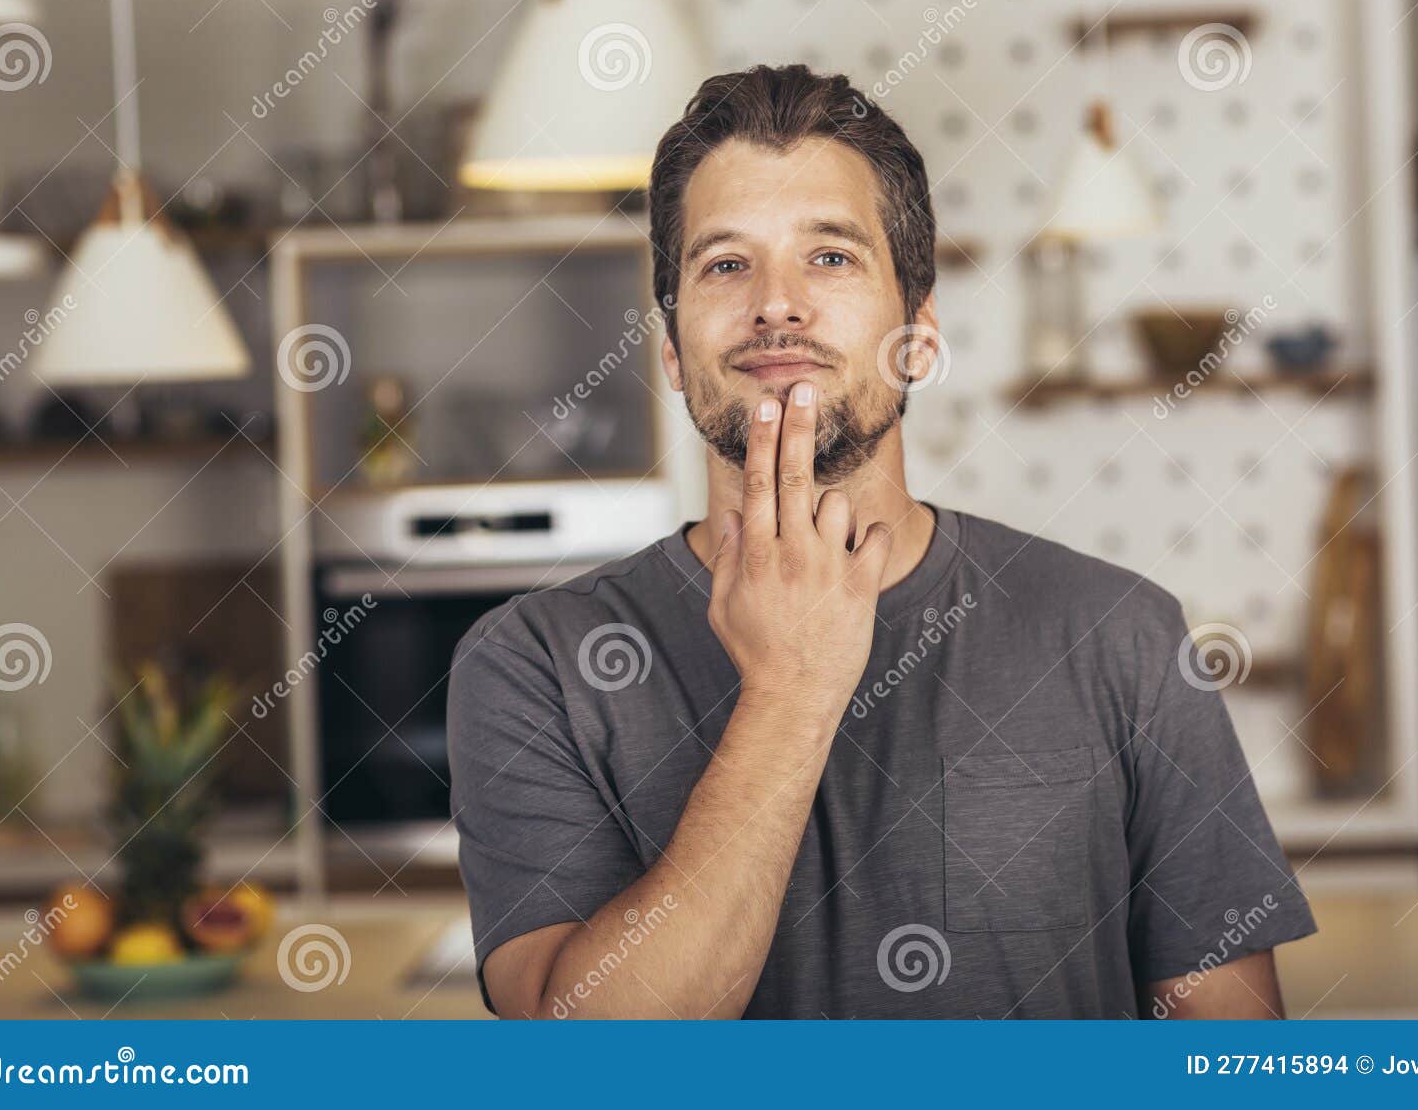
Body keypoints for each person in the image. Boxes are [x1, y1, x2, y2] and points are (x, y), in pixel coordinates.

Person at [447, 63, 1316, 1019]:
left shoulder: (1121, 634)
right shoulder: (531, 665)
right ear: (670, 348)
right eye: (725, 265)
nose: (777, 304)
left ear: (919, 331)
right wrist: (791, 691)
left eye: (831, 257)